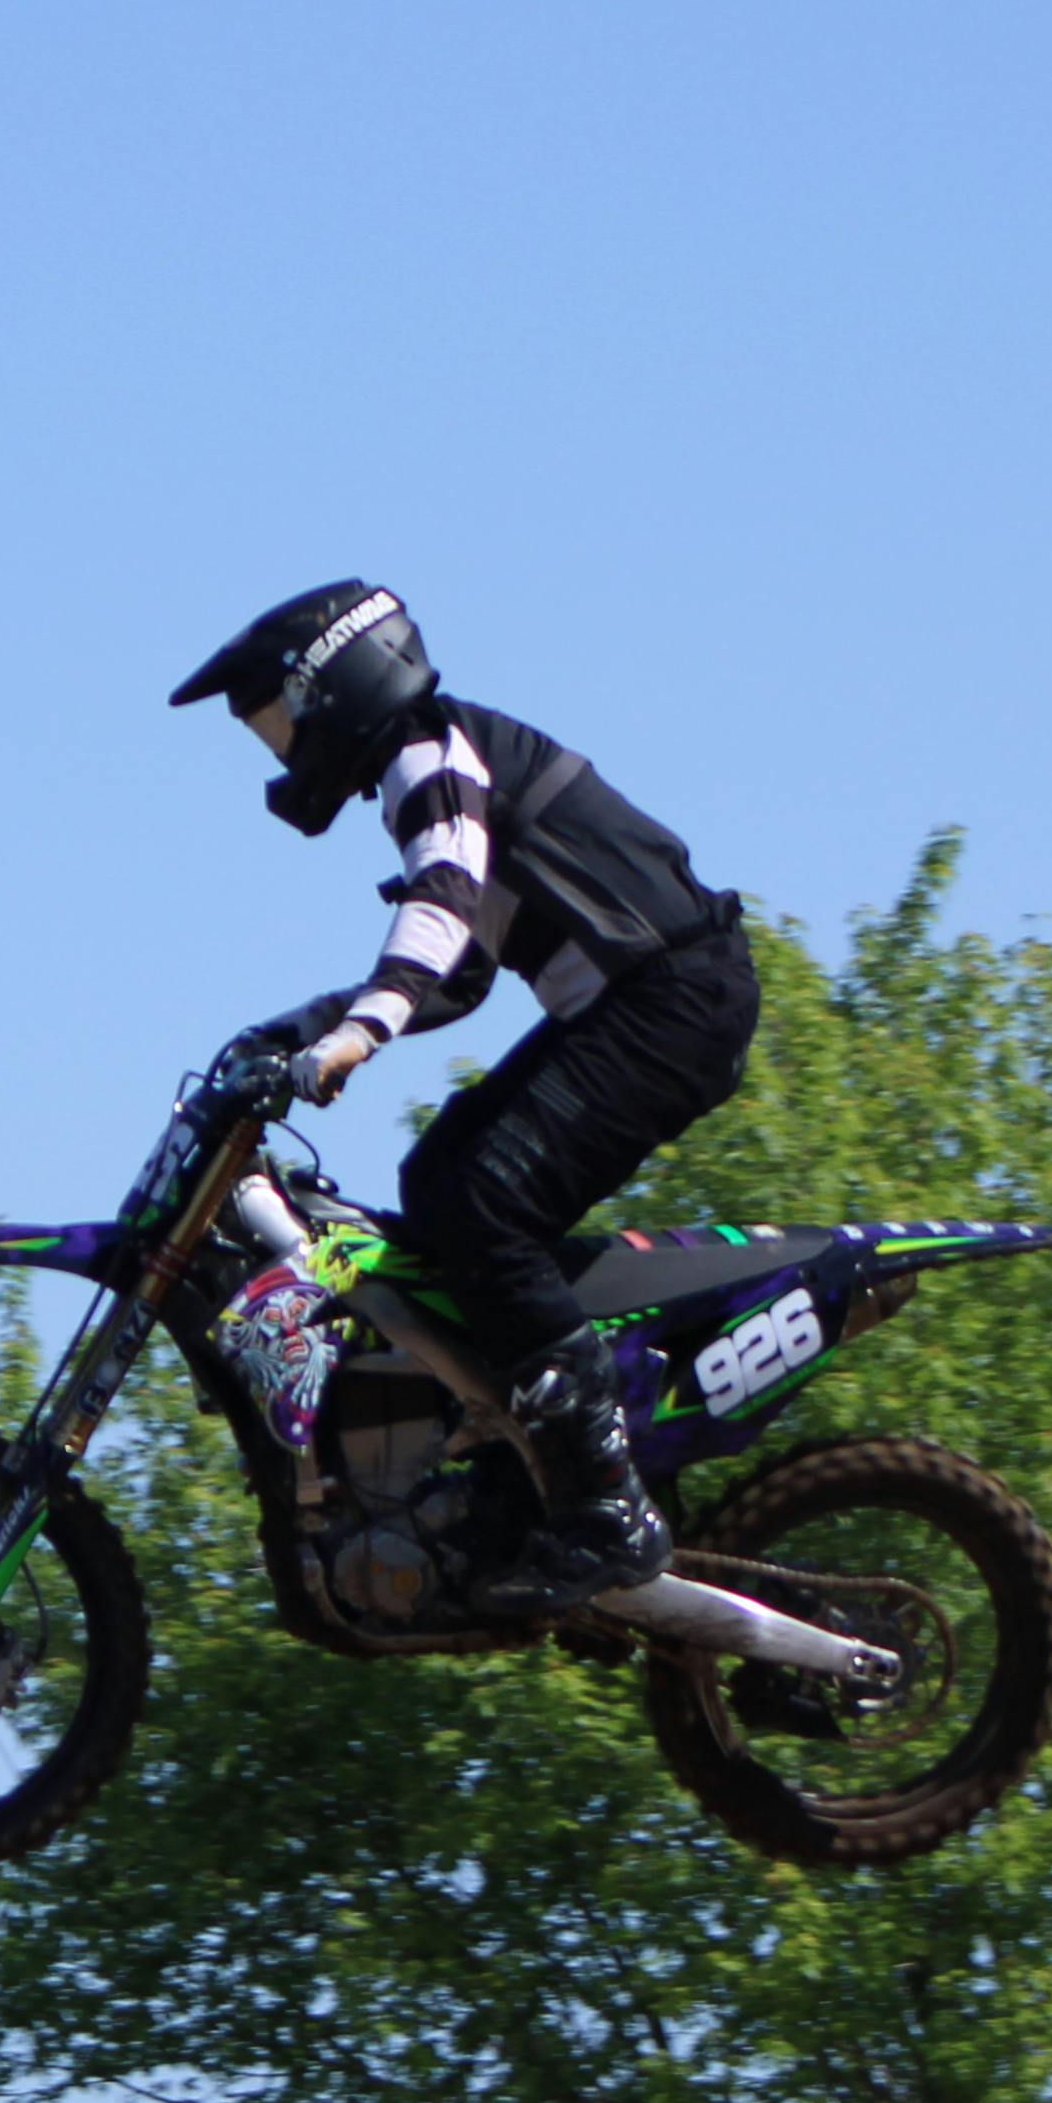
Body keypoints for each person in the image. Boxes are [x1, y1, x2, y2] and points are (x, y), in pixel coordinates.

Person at [165, 579, 757, 1616]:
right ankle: (515, 1470)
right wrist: (296, 1030)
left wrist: (356, 1035)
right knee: (438, 1178)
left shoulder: (428, 756)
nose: (277, 747)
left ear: (331, 686)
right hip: (651, 1001)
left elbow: (442, 907)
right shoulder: (438, 764)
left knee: (484, 1196)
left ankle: (605, 1507)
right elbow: (464, 969)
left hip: (672, 998)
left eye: (275, 718)